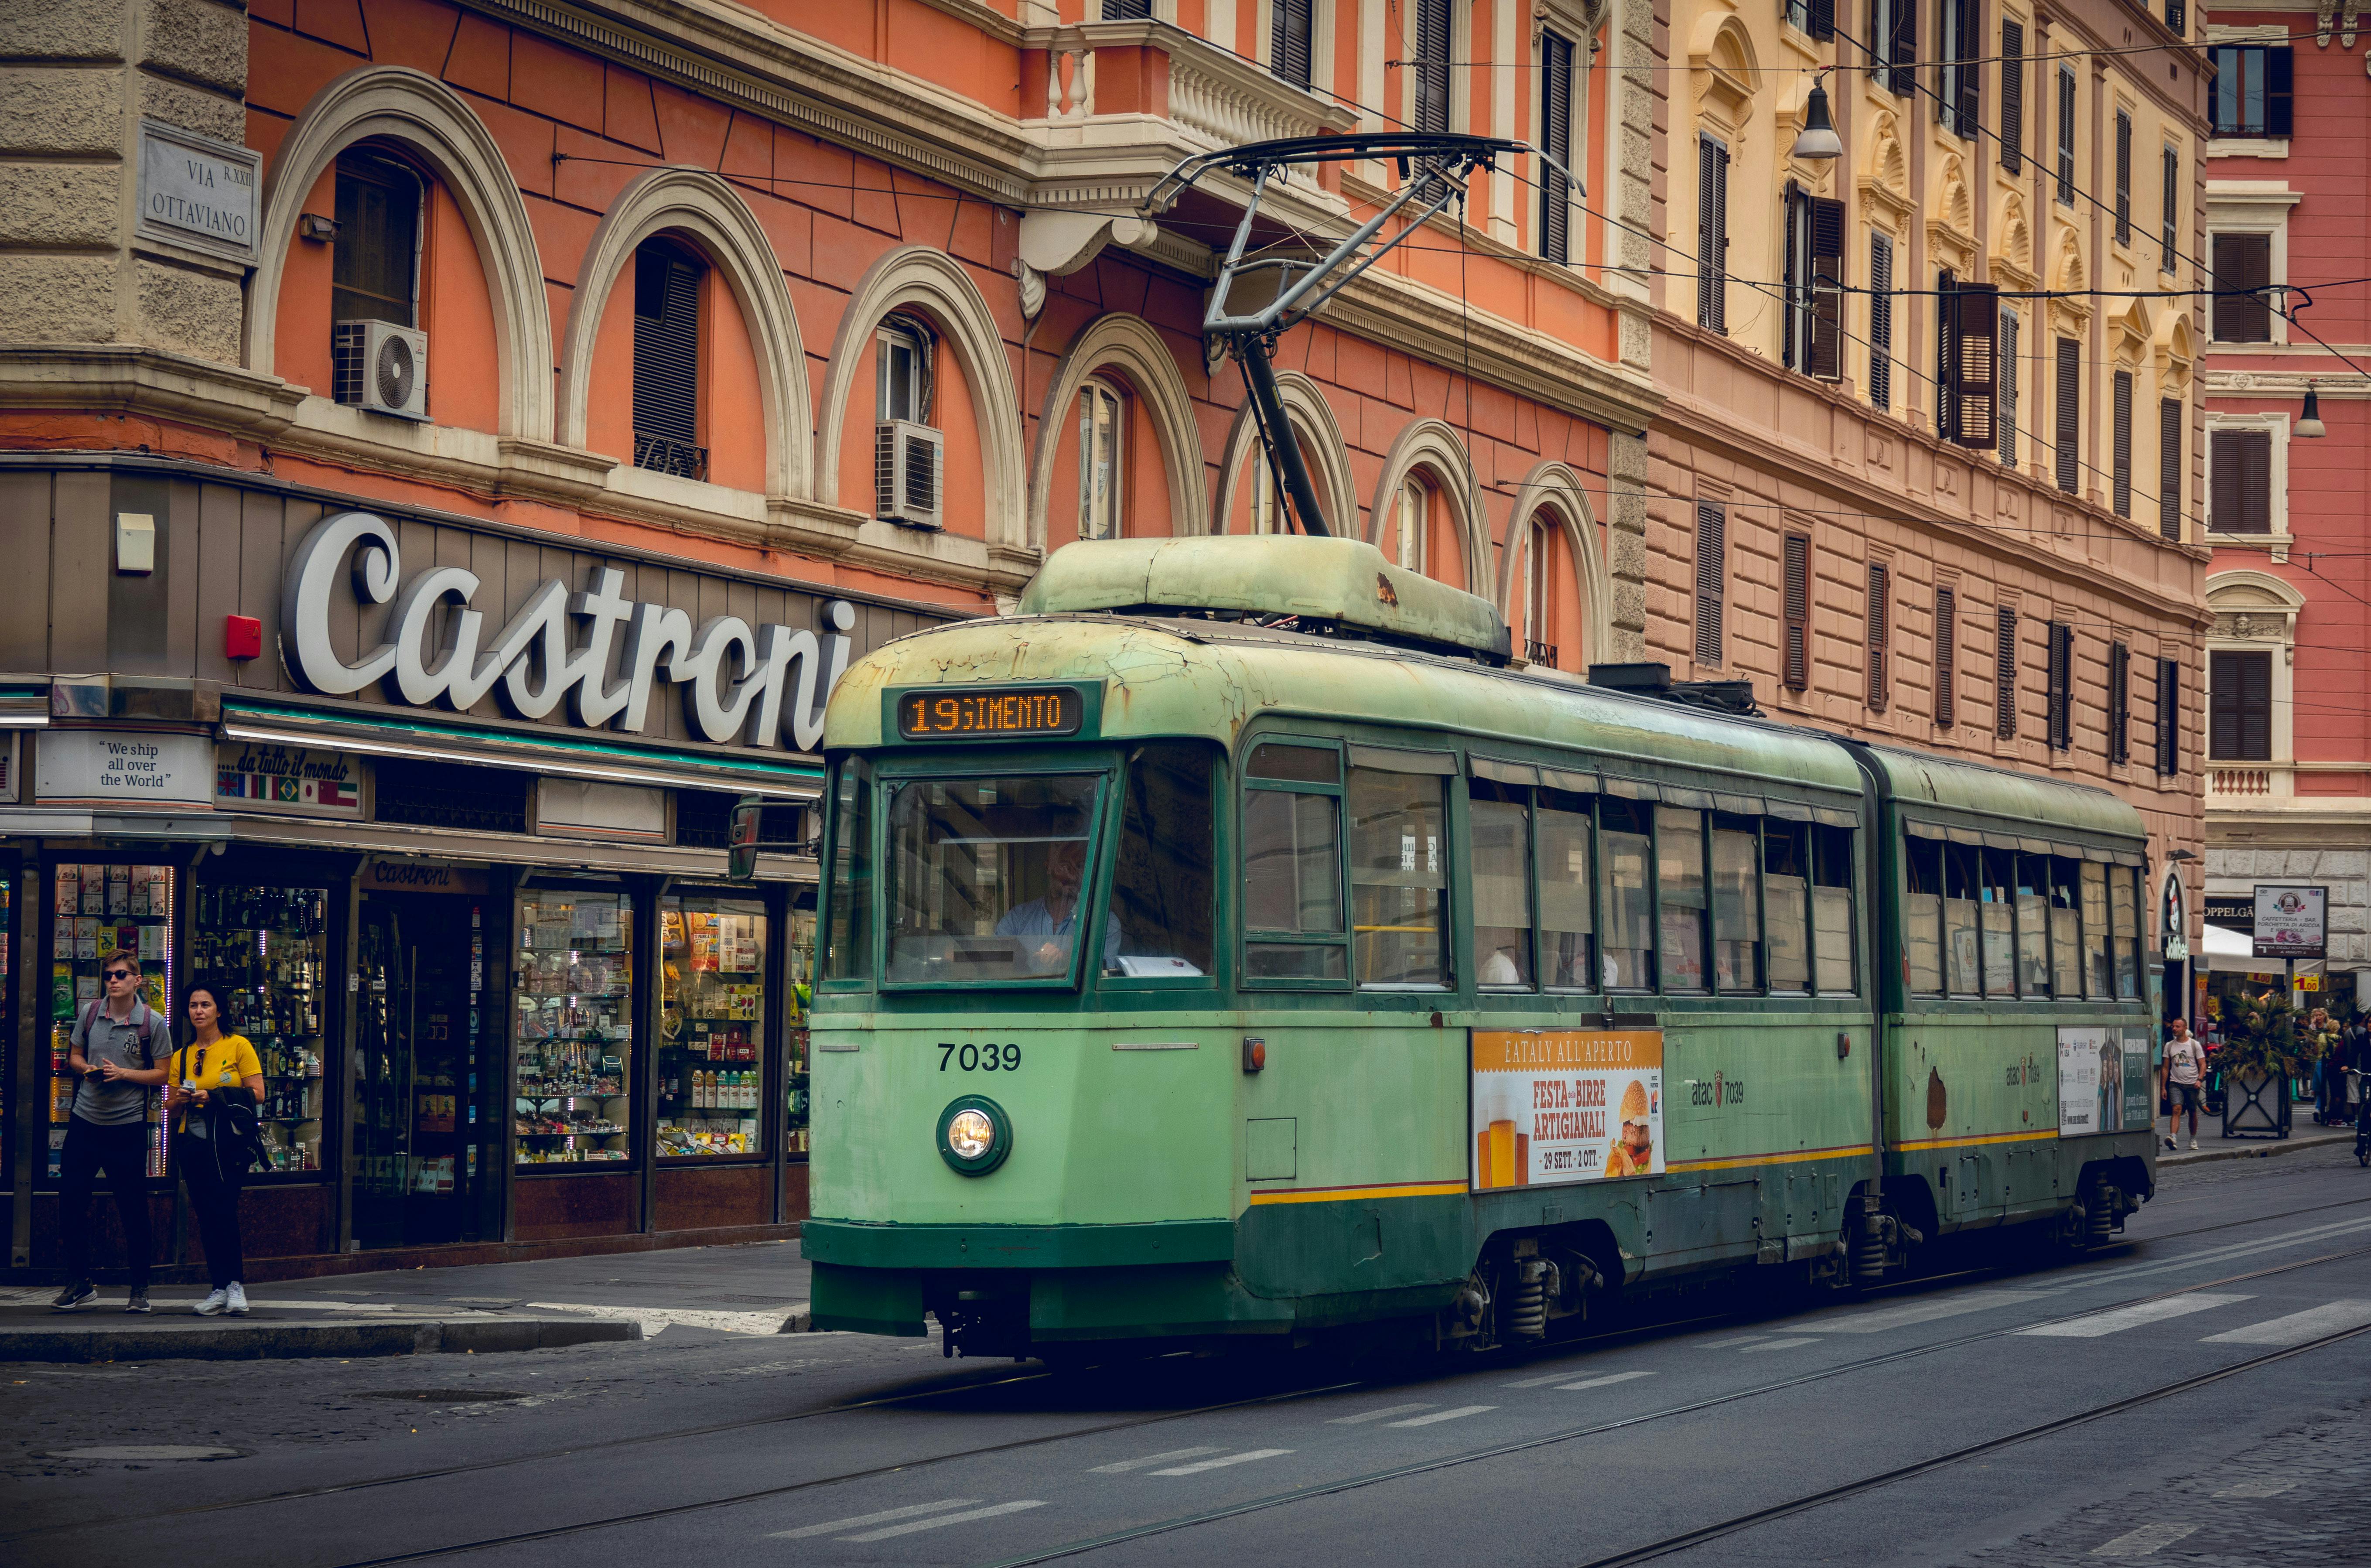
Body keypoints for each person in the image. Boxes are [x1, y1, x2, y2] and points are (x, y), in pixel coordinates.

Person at [51, 949, 169, 1313]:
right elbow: (74, 1056)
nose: (113, 981)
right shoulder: (90, 1013)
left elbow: (163, 1073)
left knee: (133, 1208)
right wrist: (85, 1068)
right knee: (71, 1203)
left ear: (137, 980)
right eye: (108, 975)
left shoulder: (152, 1022)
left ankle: (140, 1287)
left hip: (127, 1126)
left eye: (120, 974)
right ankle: (80, 1282)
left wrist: (124, 1074)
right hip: (85, 1122)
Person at [170, 985, 263, 1317]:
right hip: (193, 1143)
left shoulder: (238, 1045)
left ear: (219, 1011)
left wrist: (214, 1096)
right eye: (193, 1005)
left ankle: (236, 1284)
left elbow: (258, 1092)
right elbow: (172, 1109)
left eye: (206, 1005)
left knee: (224, 1209)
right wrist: (180, 1099)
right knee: (206, 1215)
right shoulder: (182, 1056)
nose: (199, 1011)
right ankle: (219, 1287)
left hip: (228, 1142)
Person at [994, 839, 1119, 971]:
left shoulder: (1105, 923)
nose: (1072, 876)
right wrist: (1029, 962)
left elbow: (1104, 972)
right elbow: (996, 966)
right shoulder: (1017, 919)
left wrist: (1067, 959)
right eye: (1065, 866)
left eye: (1080, 866)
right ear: (1049, 867)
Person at [2162, 1017, 2206, 1154]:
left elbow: (2203, 1064)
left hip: (2192, 1084)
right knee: (2176, 1109)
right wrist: (2163, 1087)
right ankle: (2173, 1137)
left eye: (2178, 1027)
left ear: (2185, 1028)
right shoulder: (2169, 1046)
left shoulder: (2194, 1045)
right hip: (2176, 1083)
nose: (2174, 1029)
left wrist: (2199, 1080)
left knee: (2192, 1112)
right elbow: (2165, 1068)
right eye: (2173, 1027)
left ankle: (2193, 1138)